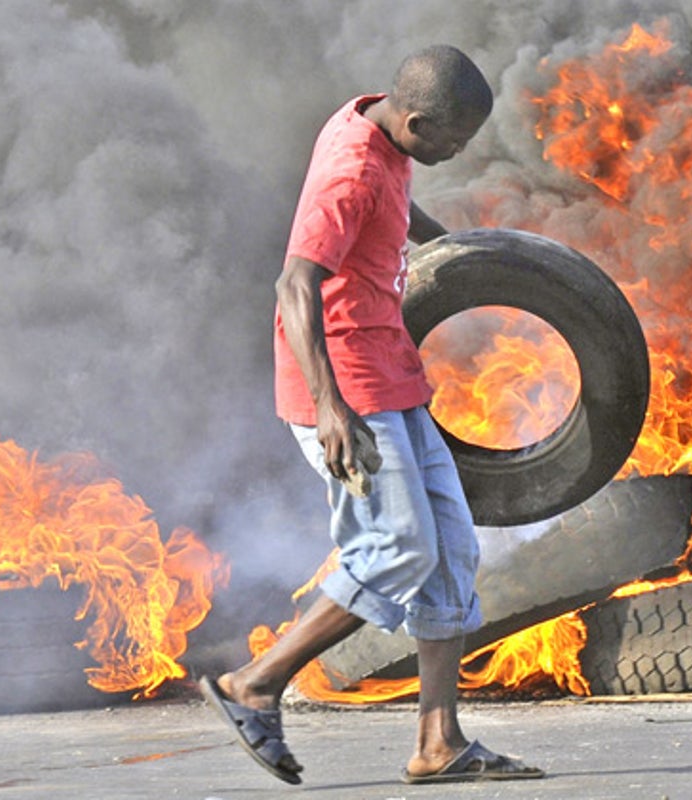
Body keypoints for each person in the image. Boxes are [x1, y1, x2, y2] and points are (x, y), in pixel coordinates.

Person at [199, 44, 544, 786]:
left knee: (449, 552)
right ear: (417, 122)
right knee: (398, 549)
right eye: (452, 142)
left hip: (391, 371)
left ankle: (438, 744)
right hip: (347, 388)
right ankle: (255, 682)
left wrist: (447, 244)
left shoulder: (376, 122)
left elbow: (392, 200)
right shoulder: (351, 170)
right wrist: (329, 409)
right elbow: (295, 284)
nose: (456, 153)